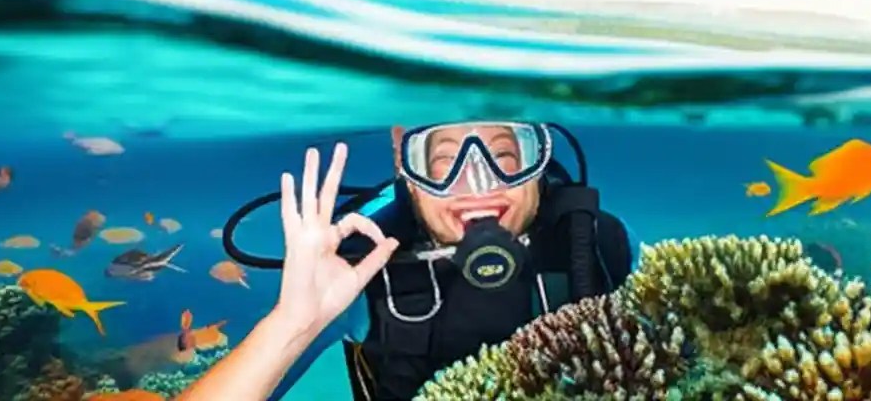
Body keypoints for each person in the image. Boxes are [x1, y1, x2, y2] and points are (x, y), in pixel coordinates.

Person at [184, 120, 639, 401]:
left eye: (503, 154)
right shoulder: (359, 273)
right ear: (404, 162)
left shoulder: (604, 245)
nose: (477, 184)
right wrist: (293, 324)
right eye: (442, 161)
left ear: (539, 160)